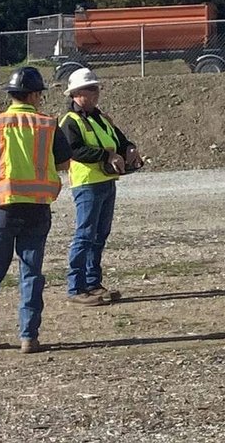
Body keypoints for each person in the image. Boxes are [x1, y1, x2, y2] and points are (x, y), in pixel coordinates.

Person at [0, 65, 71, 354]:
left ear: (12, 94)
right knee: (31, 272)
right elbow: (64, 163)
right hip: (36, 209)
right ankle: (29, 337)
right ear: (35, 95)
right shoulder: (47, 125)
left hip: (1, 208)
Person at [59, 67, 142, 306]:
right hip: (86, 183)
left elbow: (119, 138)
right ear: (76, 93)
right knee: (85, 236)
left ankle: (93, 283)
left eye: (97, 88)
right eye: (91, 89)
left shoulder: (100, 117)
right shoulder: (70, 121)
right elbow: (73, 150)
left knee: (99, 235)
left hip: (106, 181)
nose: (96, 93)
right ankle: (76, 286)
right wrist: (105, 156)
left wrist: (129, 148)